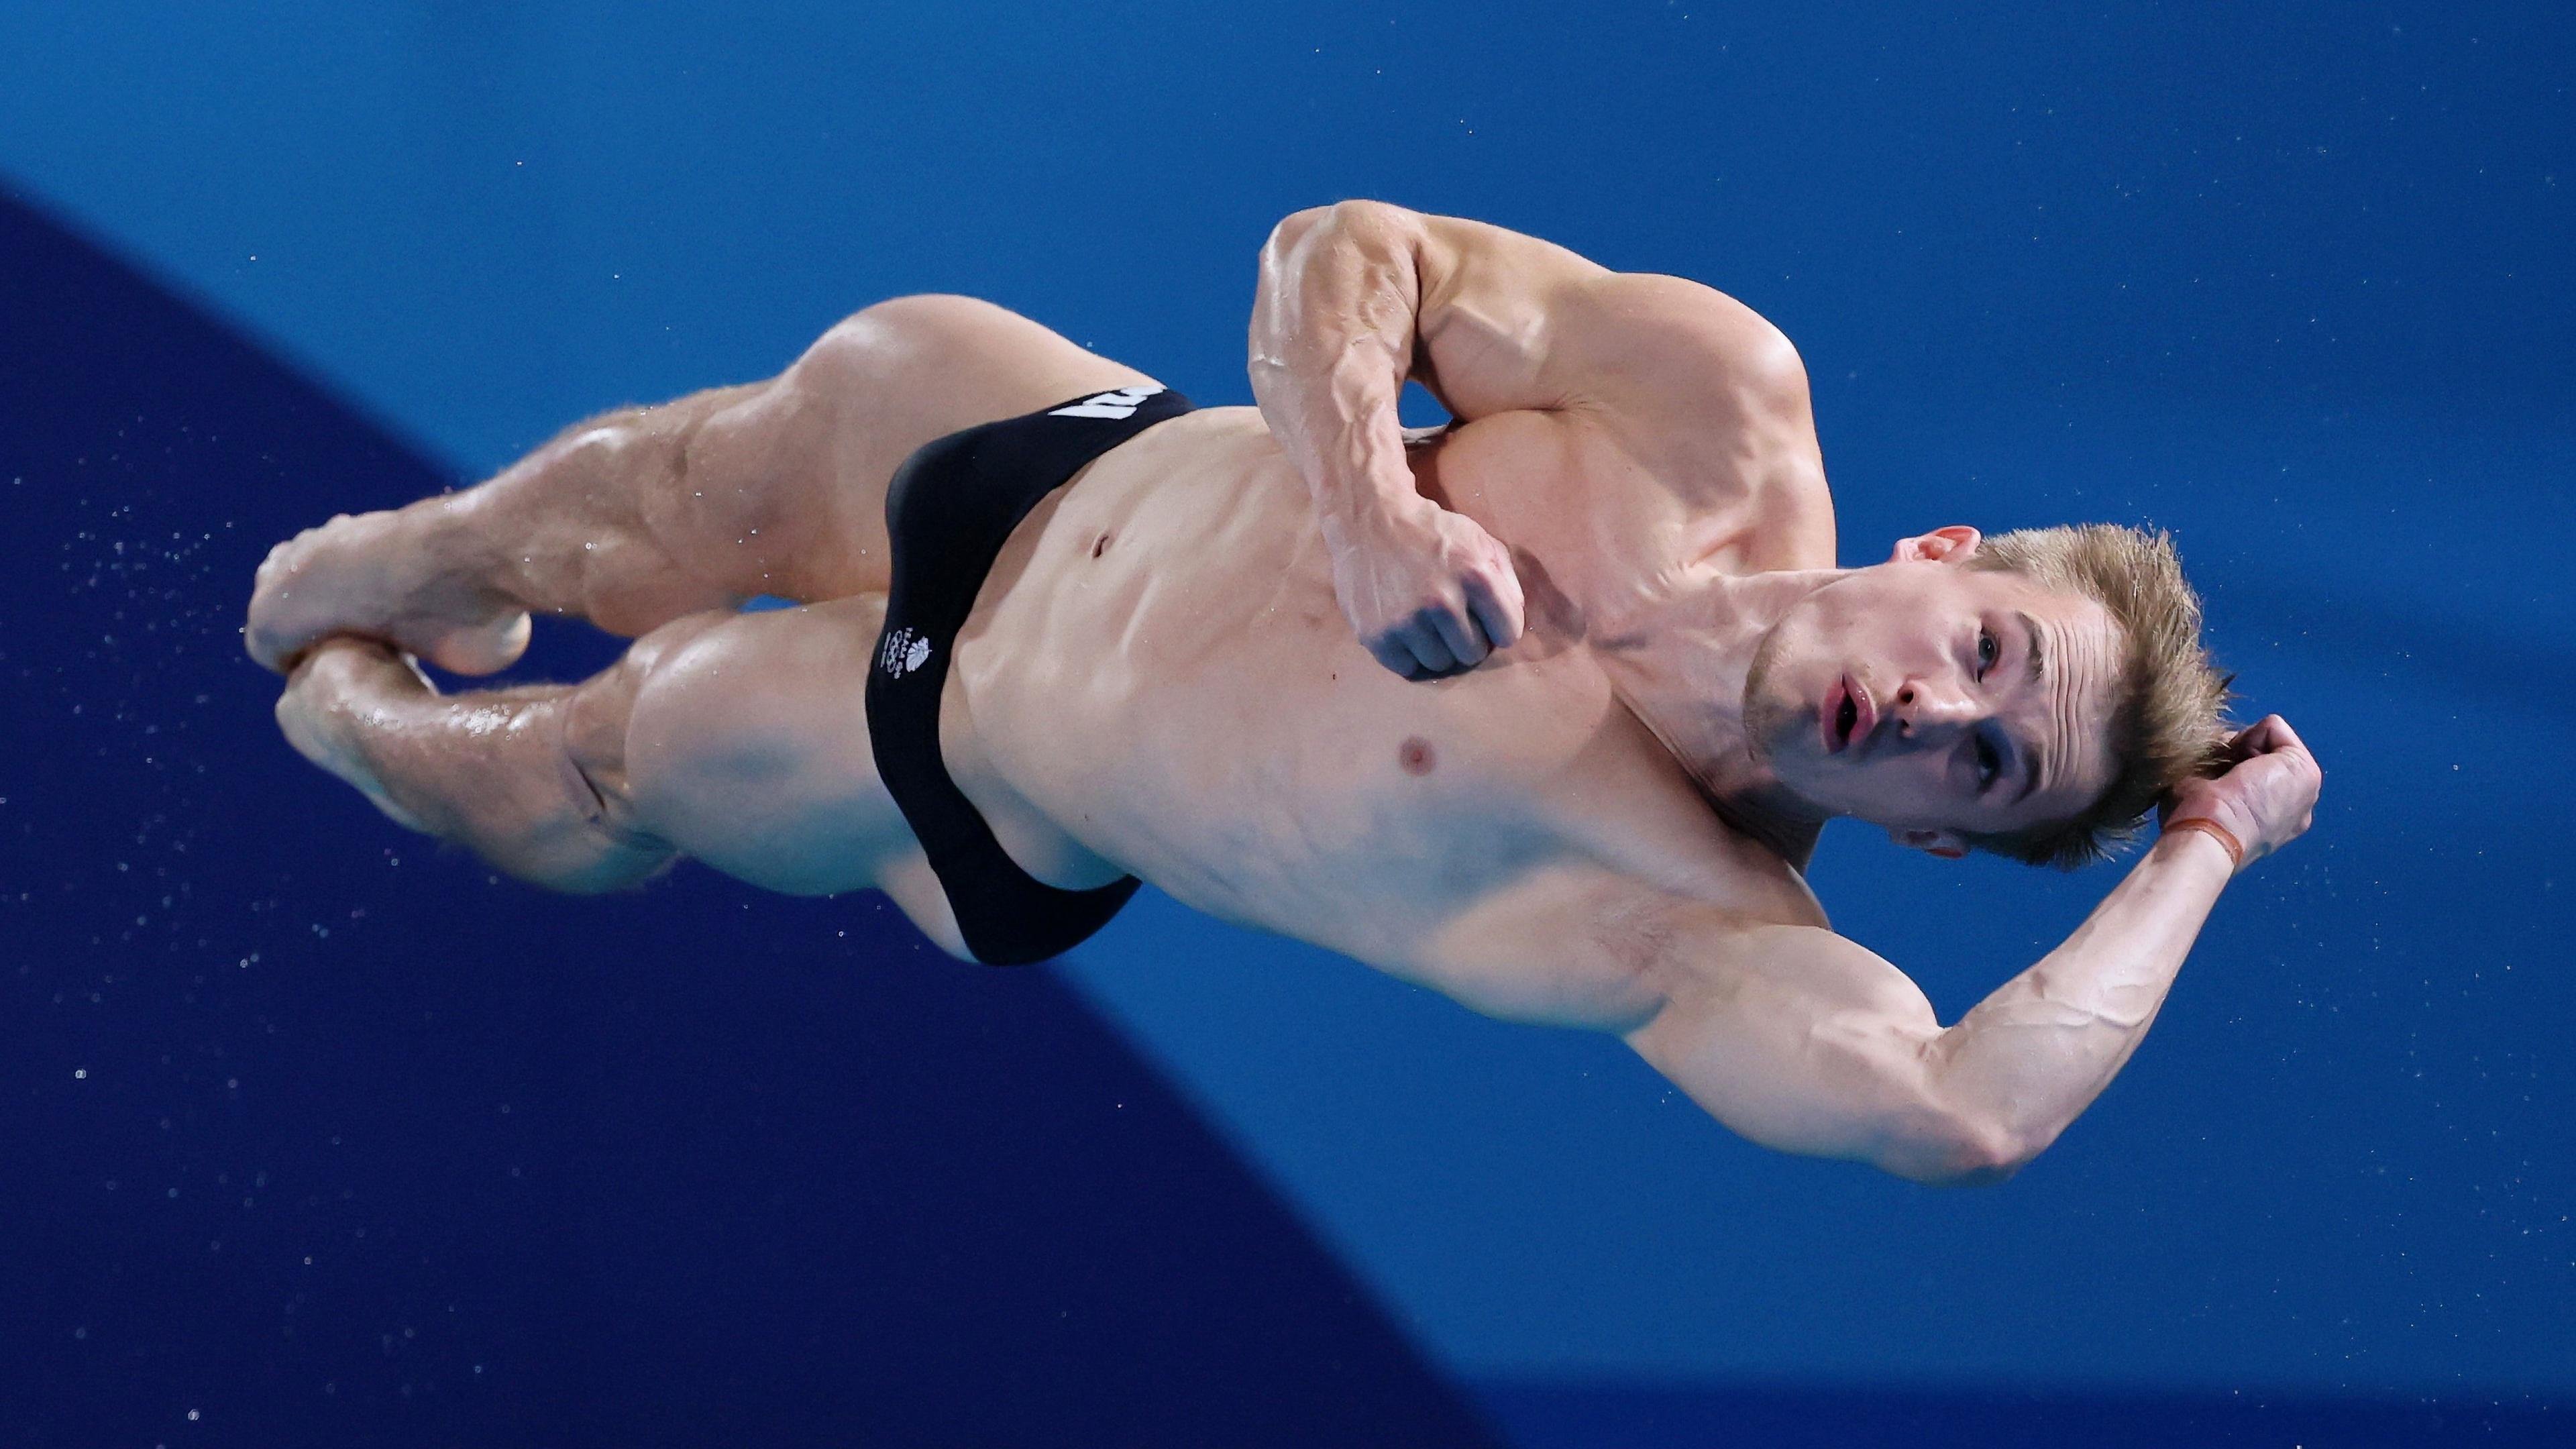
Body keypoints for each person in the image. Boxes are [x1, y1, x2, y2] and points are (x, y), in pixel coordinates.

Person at [246, 201, 2321, 1185]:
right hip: (1070, 450)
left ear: (1942, 839)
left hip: (959, 775)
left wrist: (2204, 842)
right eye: (1983, 653)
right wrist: (1365, 509)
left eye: (1985, 764)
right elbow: (1351, 249)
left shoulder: (1689, 923)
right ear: (1939, 558)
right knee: (648, 498)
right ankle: (379, 572)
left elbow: (1966, 1111)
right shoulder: (1713, 403)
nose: (1938, 711)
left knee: (595, 771)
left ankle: (341, 716)